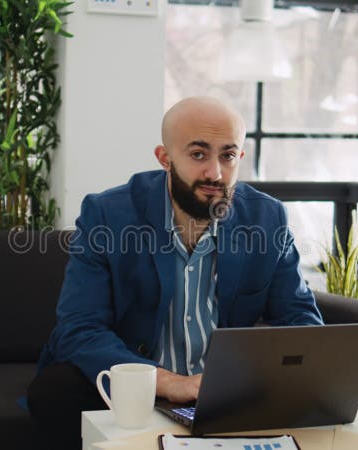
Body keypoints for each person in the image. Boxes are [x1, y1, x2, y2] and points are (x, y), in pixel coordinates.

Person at [26, 97, 323, 449]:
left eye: (227, 156)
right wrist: (167, 383)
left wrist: (253, 376)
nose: (215, 173)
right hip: (135, 383)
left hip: (228, 390)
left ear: (239, 158)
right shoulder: (108, 215)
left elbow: (300, 318)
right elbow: (78, 329)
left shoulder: (266, 218)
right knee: (54, 391)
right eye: (198, 154)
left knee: (353, 389)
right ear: (165, 158)